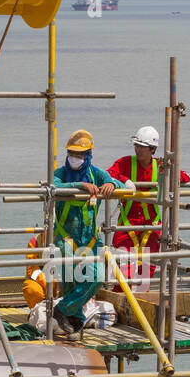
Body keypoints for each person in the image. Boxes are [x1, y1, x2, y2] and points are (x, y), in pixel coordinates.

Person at [50, 129, 133, 334]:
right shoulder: (61, 173)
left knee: (96, 277)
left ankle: (62, 310)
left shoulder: (96, 174)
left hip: (89, 238)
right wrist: (80, 186)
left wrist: (111, 184)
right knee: (71, 281)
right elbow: (55, 187)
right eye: (71, 153)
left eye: (79, 154)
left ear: (88, 156)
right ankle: (75, 321)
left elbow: (118, 184)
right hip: (66, 237)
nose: (74, 158)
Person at [107, 125, 190, 284]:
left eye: (142, 146)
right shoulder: (126, 162)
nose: (137, 149)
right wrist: (124, 180)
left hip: (151, 224)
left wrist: (172, 171)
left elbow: (184, 177)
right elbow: (108, 174)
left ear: (153, 149)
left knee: (147, 268)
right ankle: (124, 296)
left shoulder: (160, 166)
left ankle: (141, 296)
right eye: (136, 145)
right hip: (127, 222)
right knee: (123, 266)